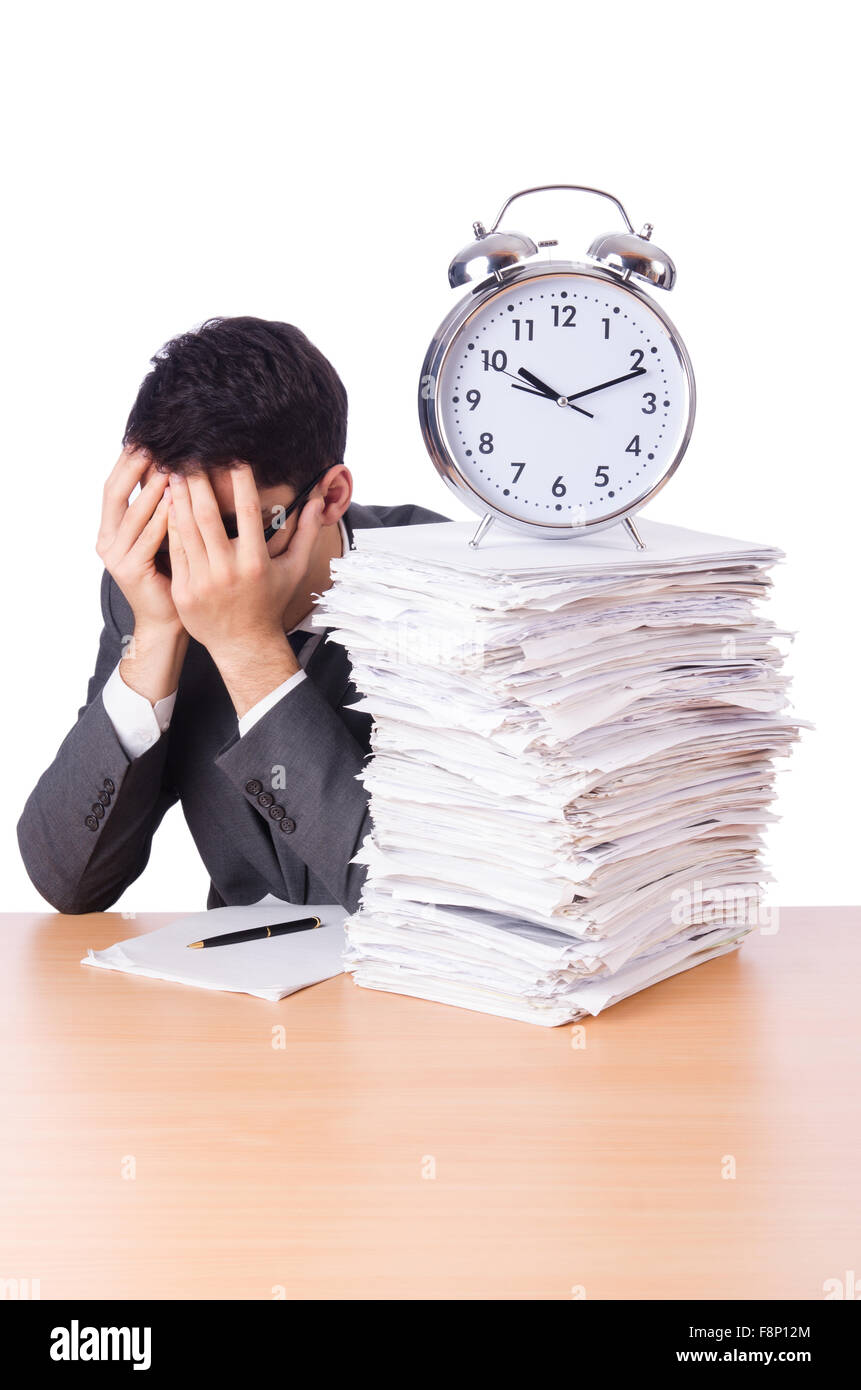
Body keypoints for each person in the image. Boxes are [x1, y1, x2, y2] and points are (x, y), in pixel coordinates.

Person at [17, 316, 450, 914]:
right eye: (169, 523)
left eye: (230, 528)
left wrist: (247, 647)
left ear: (330, 498)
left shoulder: (456, 591)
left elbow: (420, 901)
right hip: (240, 993)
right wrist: (157, 637)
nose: (198, 560)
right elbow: (67, 880)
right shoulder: (151, 585)